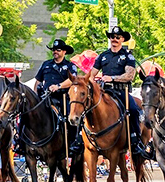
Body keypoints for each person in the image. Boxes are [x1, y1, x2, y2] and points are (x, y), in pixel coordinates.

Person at [89, 26, 149, 158]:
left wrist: (113, 78)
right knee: (86, 108)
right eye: (112, 37)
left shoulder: (127, 56)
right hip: (104, 91)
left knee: (133, 109)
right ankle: (81, 140)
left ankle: (135, 140)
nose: (114, 39)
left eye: (117, 37)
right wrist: (94, 83)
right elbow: (91, 74)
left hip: (121, 91)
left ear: (122, 39)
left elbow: (130, 75)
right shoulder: (103, 56)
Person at [34, 38, 81, 154]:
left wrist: (58, 86)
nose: (55, 52)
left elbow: (72, 80)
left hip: (63, 98)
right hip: (46, 99)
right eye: (54, 50)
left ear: (64, 52)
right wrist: (35, 96)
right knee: (29, 114)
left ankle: (73, 143)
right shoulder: (46, 64)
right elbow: (38, 81)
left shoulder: (70, 66)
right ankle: (24, 142)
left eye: (58, 50)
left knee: (71, 119)